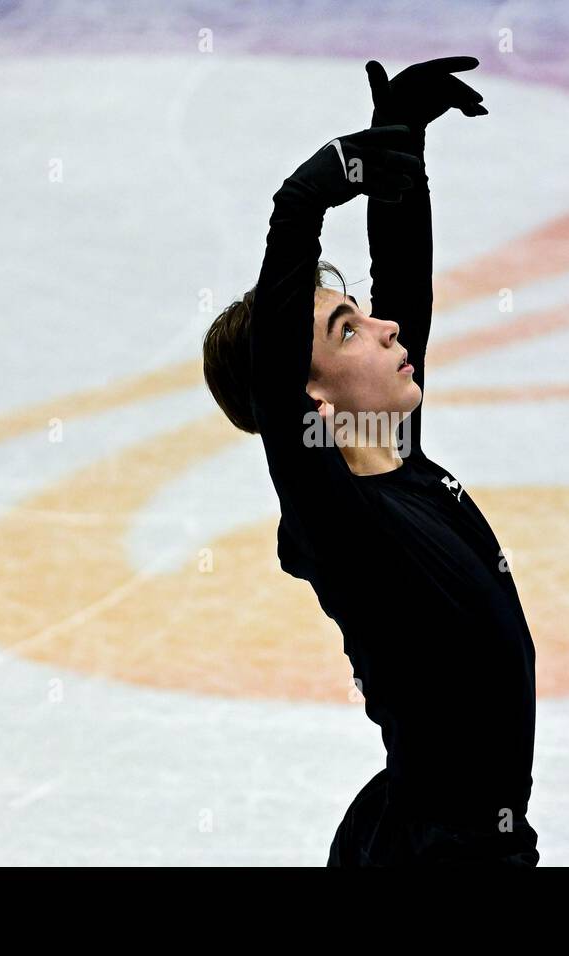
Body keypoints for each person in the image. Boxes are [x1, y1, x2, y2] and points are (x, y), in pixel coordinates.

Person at [202, 57, 538, 866]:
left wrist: (401, 158)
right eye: (346, 330)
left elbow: (405, 296)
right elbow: (285, 374)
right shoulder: (341, 517)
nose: (387, 331)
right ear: (308, 396)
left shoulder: (397, 460)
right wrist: (309, 193)